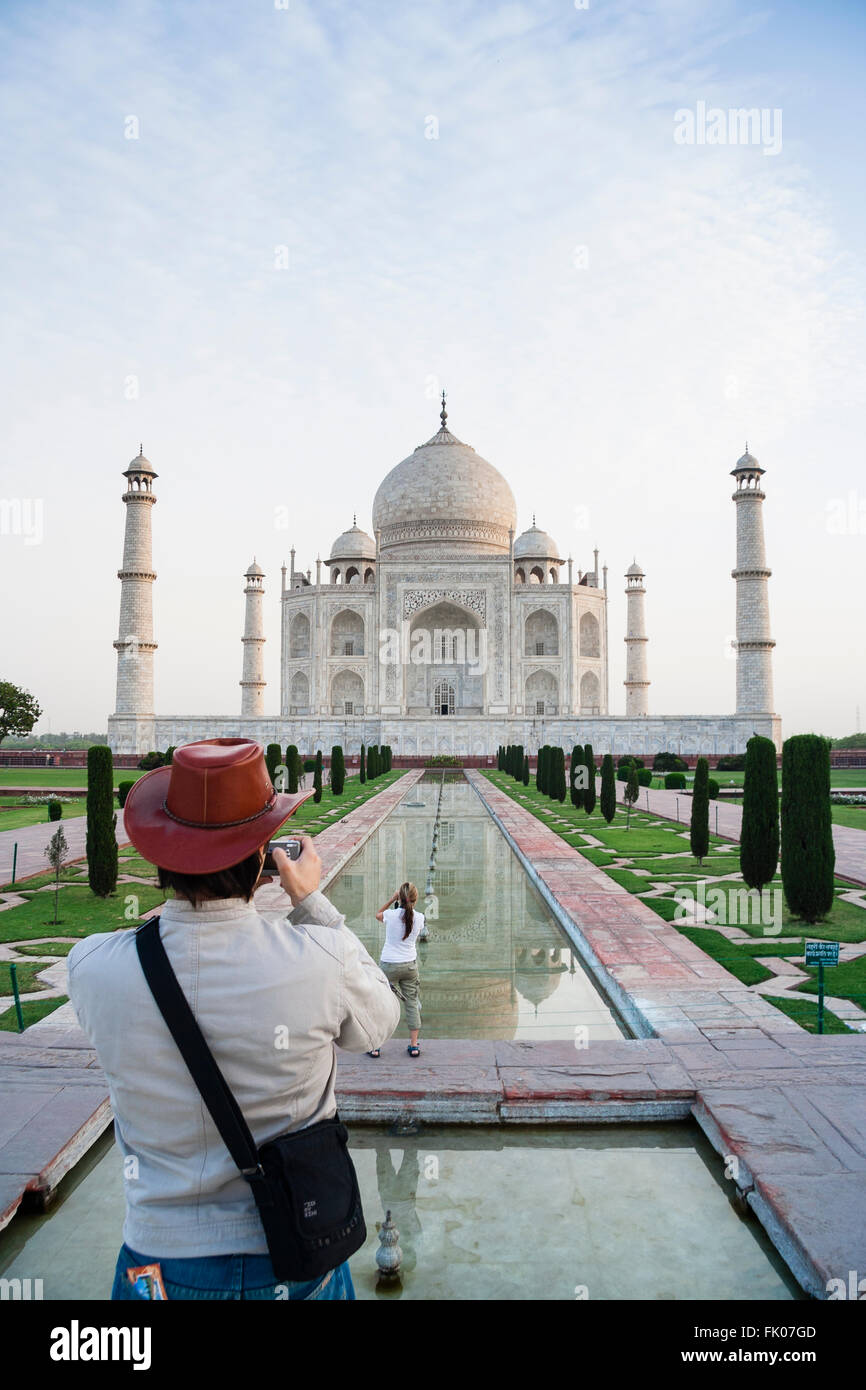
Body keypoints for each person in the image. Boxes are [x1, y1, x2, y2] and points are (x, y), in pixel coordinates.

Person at [66, 738, 400, 1302]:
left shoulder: (94, 967)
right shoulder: (320, 958)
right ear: (263, 860)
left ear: (160, 858)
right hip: (298, 1257)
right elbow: (379, 1024)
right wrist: (311, 900)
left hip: (159, 1270)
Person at [368, 883, 424, 1058]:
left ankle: (376, 1046)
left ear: (399, 897)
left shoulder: (391, 915)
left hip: (389, 966)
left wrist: (392, 900)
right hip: (409, 966)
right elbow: (409, 918)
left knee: (379, 1004)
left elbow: (377, 914)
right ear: (415, 899)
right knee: (412, 1003)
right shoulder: (420, 918)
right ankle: (414, 1046)